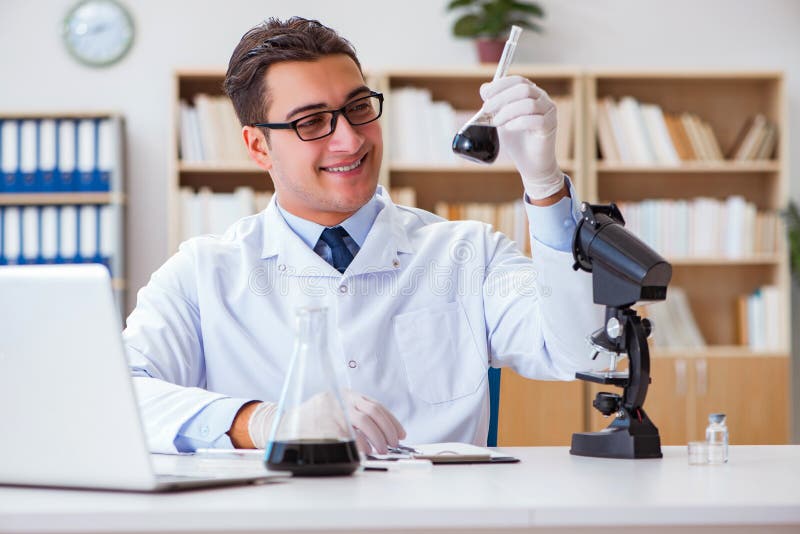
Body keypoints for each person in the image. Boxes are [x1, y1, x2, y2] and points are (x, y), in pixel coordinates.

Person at [124, 16, 603, 454]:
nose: (350, 139)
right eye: (311, 122)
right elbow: (117, 397)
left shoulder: (467, 252)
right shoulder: (202, 273)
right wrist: (262, 423)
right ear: (257, 146)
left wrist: (545, 187)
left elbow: (584, 354)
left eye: (358, 108)